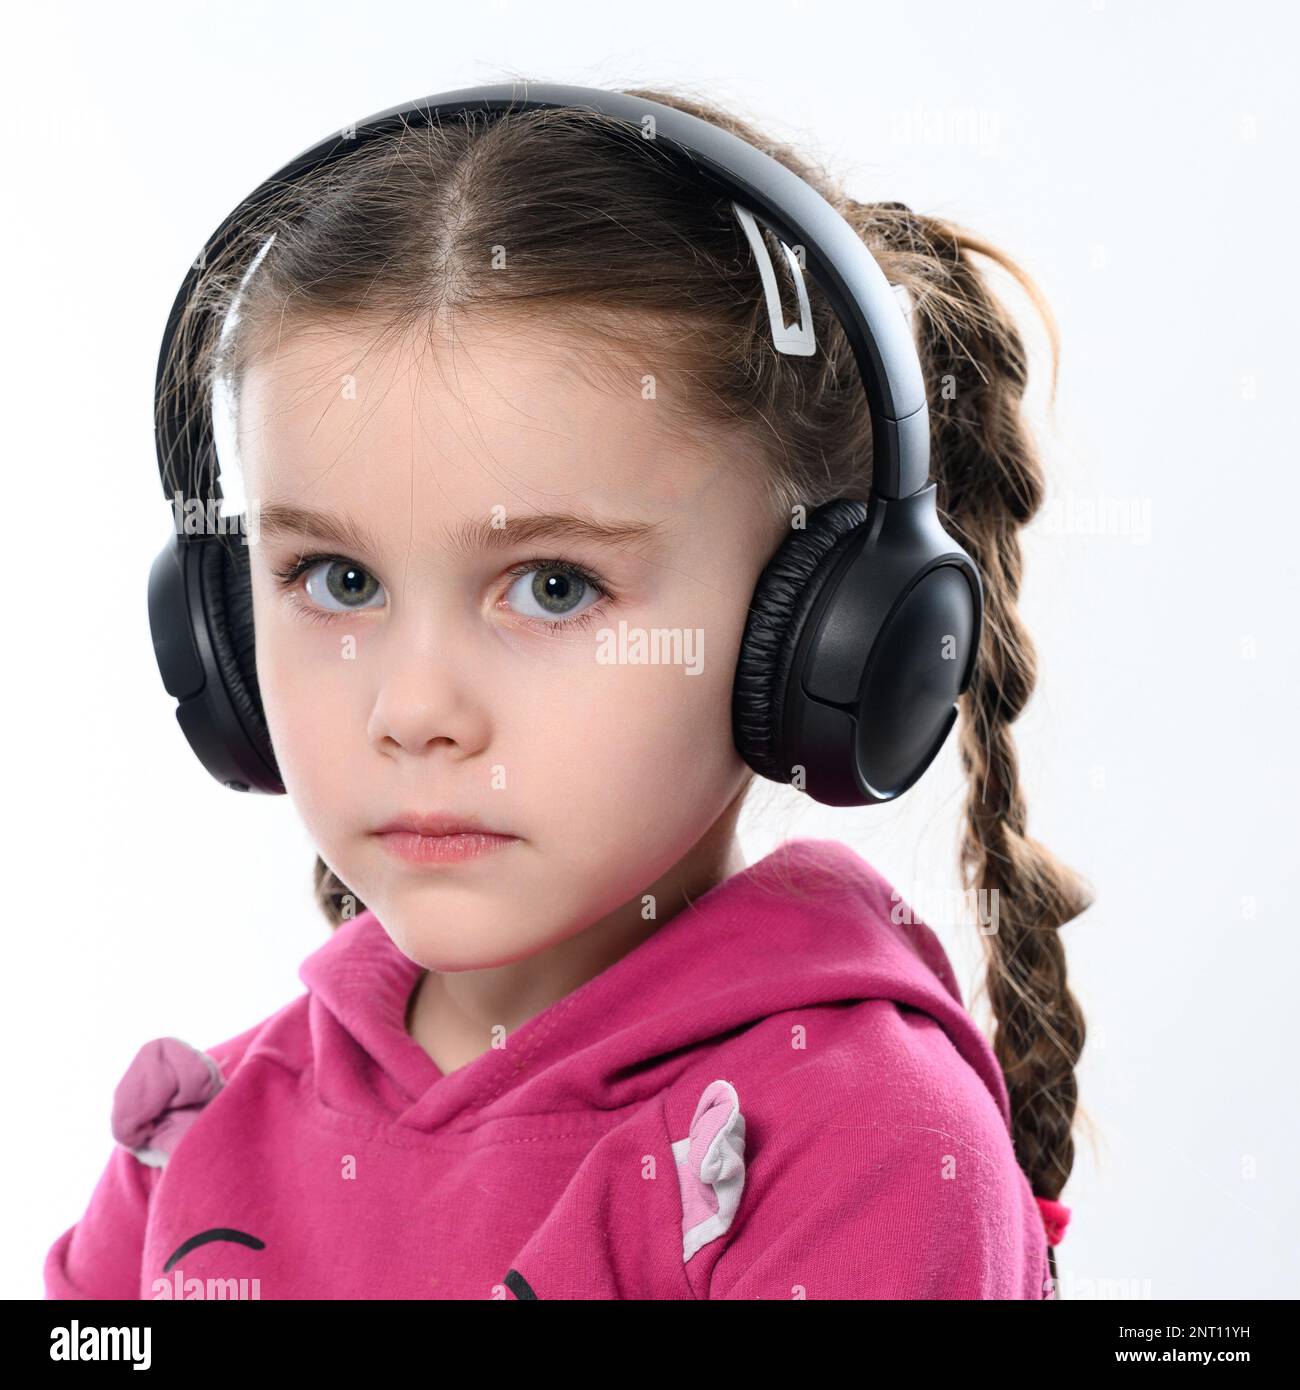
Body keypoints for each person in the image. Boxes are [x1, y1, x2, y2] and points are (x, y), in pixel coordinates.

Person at [45, 83, 1090, 1300]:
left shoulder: (865, 1149)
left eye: (550, 586)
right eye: (336, 578)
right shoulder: (194, 1141)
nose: (415, 707)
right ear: (218, 622)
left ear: (821, 637)